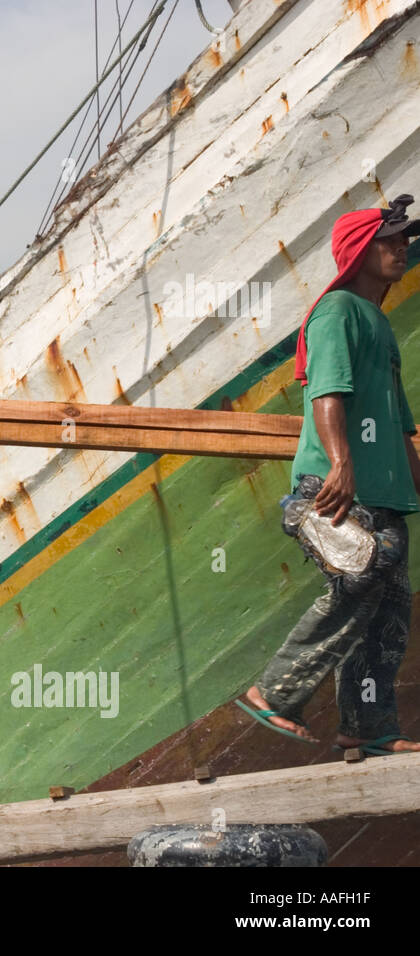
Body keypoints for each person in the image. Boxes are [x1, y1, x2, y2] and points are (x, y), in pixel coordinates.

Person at [238, 194, 420, 755]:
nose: (402, 247)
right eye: (390, 240)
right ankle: (272, 691)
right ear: (359, 251)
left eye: (405, 239)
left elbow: (398, 421)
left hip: (383, 494)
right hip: (335, 488)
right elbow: (327, 391)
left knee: (390, 609)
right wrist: (342, 462)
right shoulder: (337, 310)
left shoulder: (377, 324)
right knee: (364, 568)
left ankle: (366, 727)